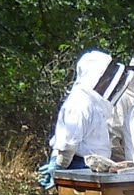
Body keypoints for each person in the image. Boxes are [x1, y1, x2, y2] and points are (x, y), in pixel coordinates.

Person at [40, 50, 128, 186]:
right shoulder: (79, 102)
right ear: (94, 75)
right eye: (106, 75)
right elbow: (67, 144)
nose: (108, 80)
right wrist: (58, 168)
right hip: (79, 167)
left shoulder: (93, 101)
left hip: (94, 167)